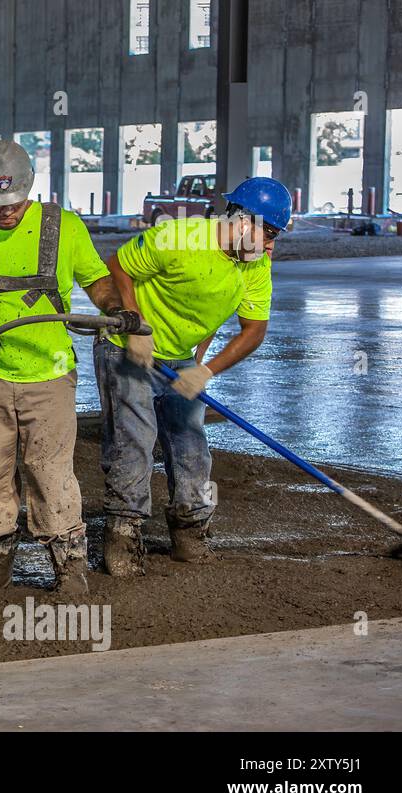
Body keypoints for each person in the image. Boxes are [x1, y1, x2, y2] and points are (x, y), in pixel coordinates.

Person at [0, 140, 139, 594]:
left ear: (29, 187)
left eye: (13, 203)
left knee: (50, 473)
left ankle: (69, 566)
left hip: (49, 374)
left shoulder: (64, 228)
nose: (5, 213)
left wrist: (116, 309)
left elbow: (96, 279)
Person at [95, 177, 291, 574]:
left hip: (181, 357)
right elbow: (117, 265)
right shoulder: (179, 237)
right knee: (135, 441)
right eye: (267, 233)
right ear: (240, 221)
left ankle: (190, 532)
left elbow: (253, 330)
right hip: (128, 349)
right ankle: (124, 537)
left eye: (276, 236)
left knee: (191, 444)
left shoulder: (255, 265)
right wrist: (135, 325)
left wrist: (204, 370)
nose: (271, 245)